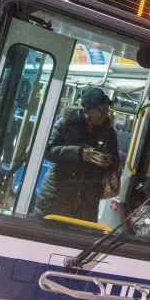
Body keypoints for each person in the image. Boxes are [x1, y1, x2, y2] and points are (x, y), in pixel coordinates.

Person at [34, 87, 121, 222]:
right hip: (57, 196)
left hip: (88, 202)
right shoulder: (66, 123)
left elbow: (116, 160)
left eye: (107, 110)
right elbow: (47, 150)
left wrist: (109, 161)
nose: (105, 114)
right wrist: (79, 153)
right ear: (88, 108)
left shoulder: (109, 133)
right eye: (101, 110)